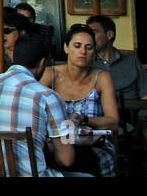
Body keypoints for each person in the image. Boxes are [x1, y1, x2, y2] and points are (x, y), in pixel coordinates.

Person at [0, 35, 79, 177]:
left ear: (15, 57)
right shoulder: (47, 96)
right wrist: (70, 128)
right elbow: (66, 160)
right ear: (42, 63)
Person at [39, 24, 118, 176]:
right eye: (77, 45)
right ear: (66, 48)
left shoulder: (101, 78)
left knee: (87, 160)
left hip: (90, 145)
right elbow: (33, 110)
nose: (83, 51)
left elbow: (113, 122)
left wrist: (84, 119)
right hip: (54, 144)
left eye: (89, 47)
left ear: (94, 52)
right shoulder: (50, 75)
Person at [88, 14, 147, 176]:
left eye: (94, 32)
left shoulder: (131, 61)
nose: (90, 37)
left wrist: (140, 118)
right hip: (100, 120)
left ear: (109, 35)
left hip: (133, 119)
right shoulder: (88, 63)